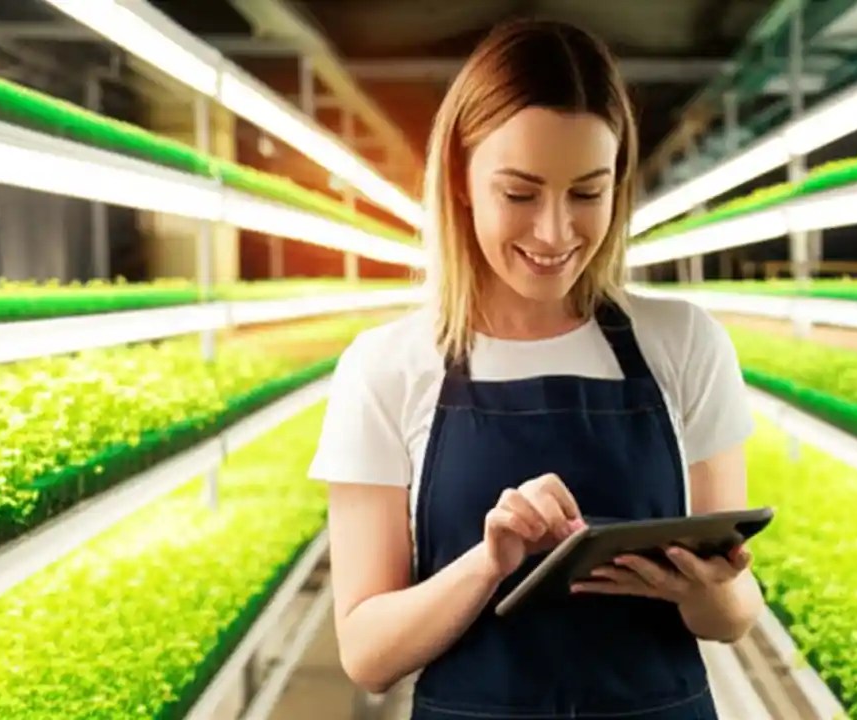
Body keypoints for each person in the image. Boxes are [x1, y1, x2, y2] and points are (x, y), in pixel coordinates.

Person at [309, 17, 762, 720]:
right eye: (519, 194)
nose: (555, 233)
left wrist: (710, 594)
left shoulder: (683, 343)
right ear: (460, 181)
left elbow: (733, 615)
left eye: (587, 193)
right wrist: (489, 562)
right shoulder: (387, 367)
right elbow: (367, 655)